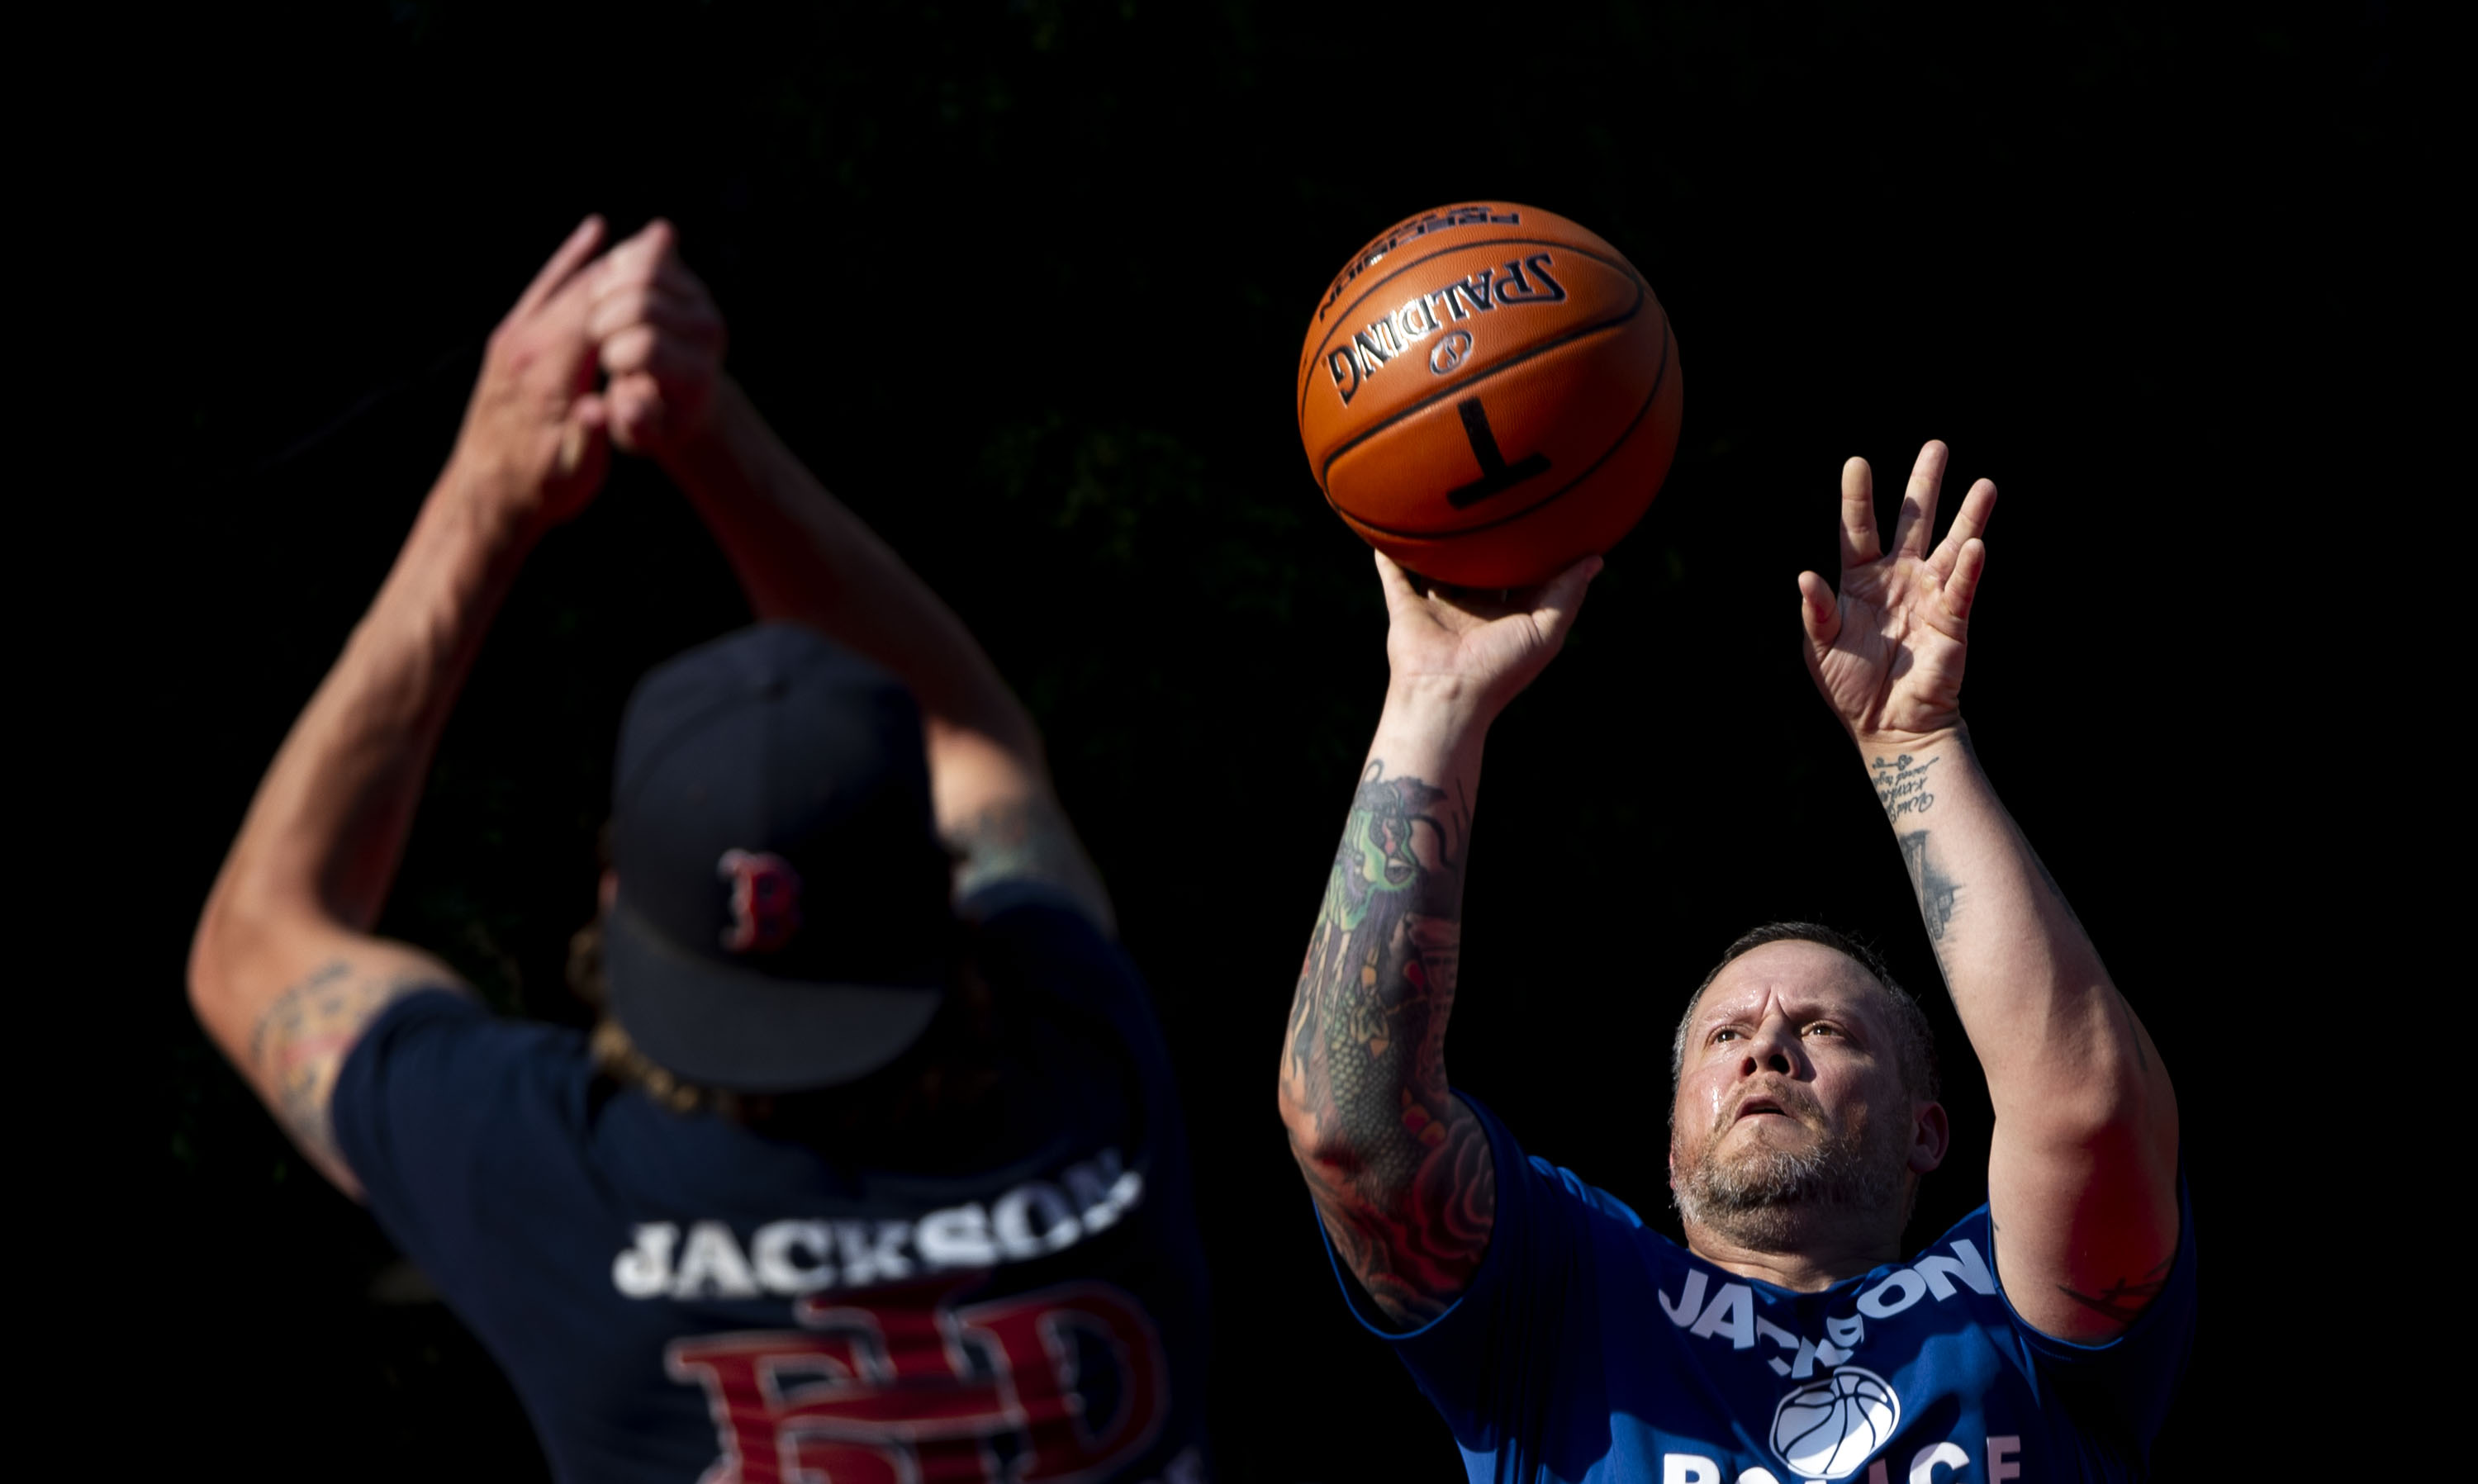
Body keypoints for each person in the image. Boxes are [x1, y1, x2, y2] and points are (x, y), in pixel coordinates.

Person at [189, 217, 1212, 1484]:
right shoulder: (1088, 1071)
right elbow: (973, 739)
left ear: (616, 898)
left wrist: (487, 493)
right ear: (946, 894)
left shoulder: (555, 1188)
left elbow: (255, 936)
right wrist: (709, 427)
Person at [1277, 444, 2191, 1482]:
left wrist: (1917, 744)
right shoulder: (1572, 1296)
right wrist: (1433, 701)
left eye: (1826, 1029)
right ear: (1670, 1147)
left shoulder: (2009, 1309)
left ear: (1927, 1131)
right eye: (1725, 1035)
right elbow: (1350, 1122)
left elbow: (2086, 1106)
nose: (1766, 1049)